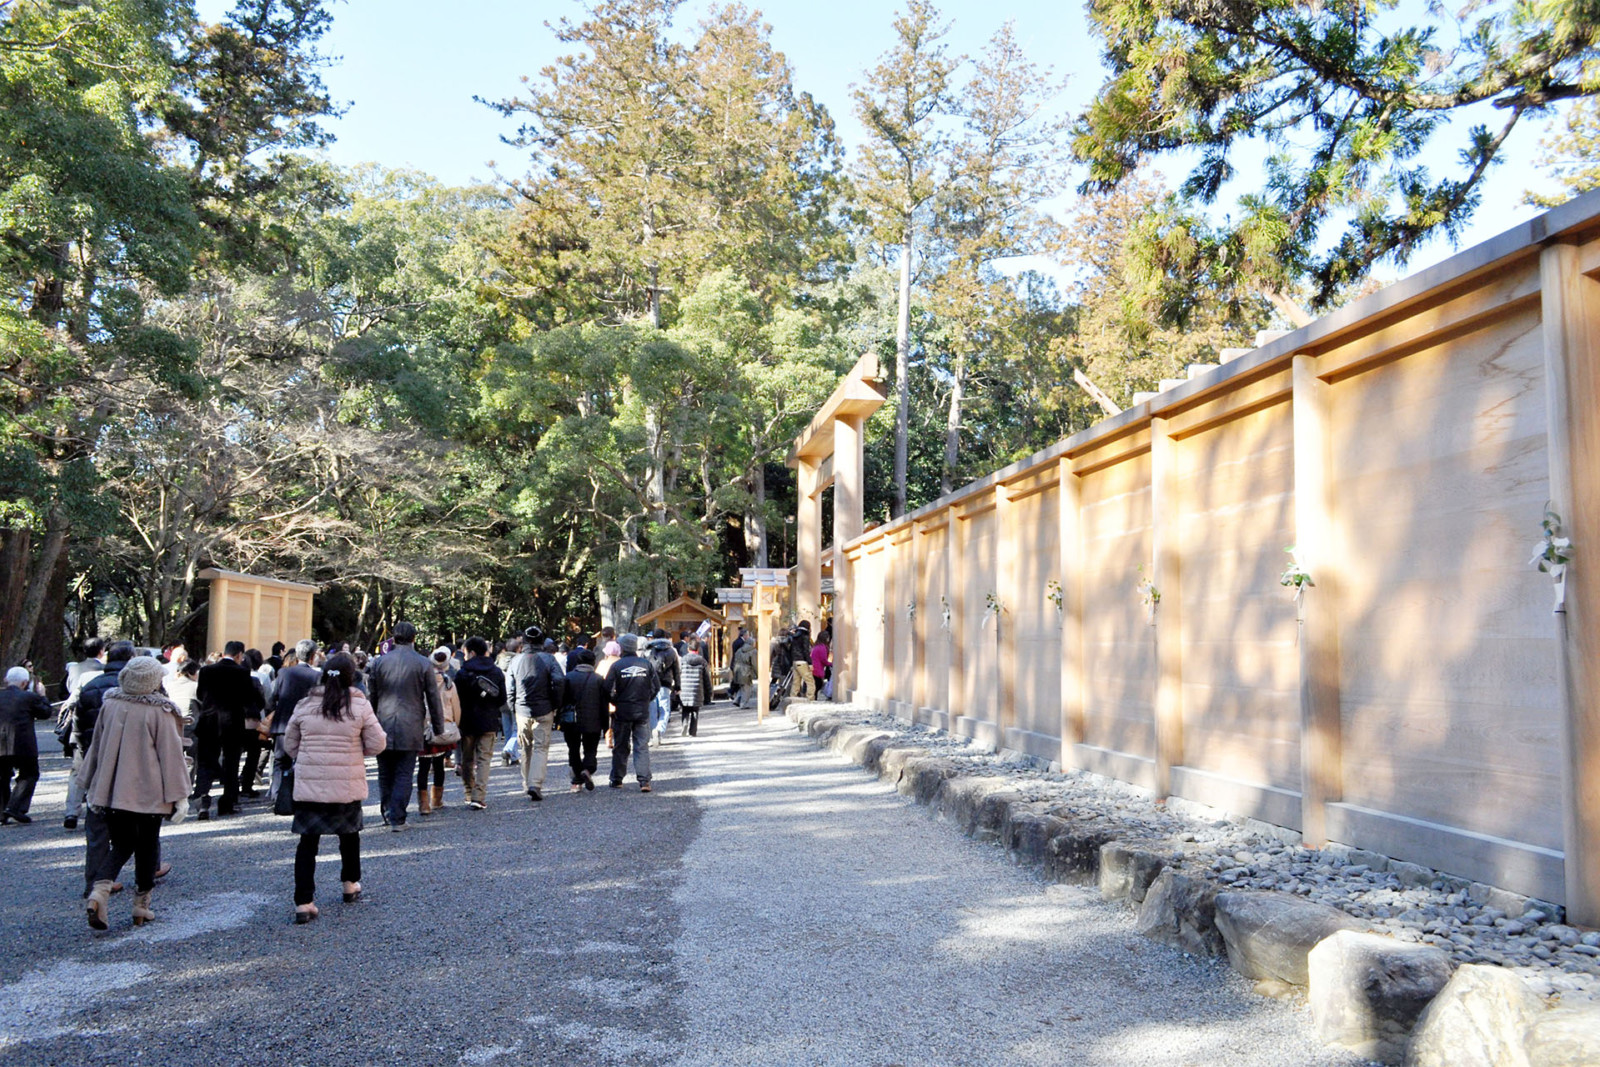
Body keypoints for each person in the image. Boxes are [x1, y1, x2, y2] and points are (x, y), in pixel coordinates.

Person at [77, 656, 190, 930]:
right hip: (151, 793)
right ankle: (141, 906)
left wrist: (89, 781)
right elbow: (171, 756)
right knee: (148, 845)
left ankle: (99, 891)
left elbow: (97, 746)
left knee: (122, 844)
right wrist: (181, 796)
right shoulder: (160, 711)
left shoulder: (111, 704)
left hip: (114, 790)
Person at [283, 652, 386, 924]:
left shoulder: (305, 705)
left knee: (308, 842)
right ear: (351, 677)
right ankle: (350, 884)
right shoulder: (359, 706)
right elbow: (378, 744)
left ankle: (304, 902)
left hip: (310, 785)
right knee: (349, 835)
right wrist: (354, 750)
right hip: (345, 783)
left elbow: (289, 745)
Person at [366, 622, 444, 830]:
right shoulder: (423, 663)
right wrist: (438, 727)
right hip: (411, 724)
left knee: (385, 772)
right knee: (403, 772)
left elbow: (372, 696)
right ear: (413, 638)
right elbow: (433, 698)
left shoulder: (378, 663)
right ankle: (397, 817)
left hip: (382, 722)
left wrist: (369, 723)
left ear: (393, 638)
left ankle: (387, 812)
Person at [192, 641, 264, 819]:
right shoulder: (242, 672)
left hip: (209, 720)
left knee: (206, 761)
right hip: (232, 722)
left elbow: (200, 694)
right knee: (231, 761)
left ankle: (202, 798)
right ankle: (228, 802)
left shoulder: (207, 670)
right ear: (240, 655)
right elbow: (248, 698)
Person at [506, 626, 564, 803]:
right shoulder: (549, 659)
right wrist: (556, 704)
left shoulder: (515, 661)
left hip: (522, 709)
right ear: (542, 642)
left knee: (526, 747)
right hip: (544, 708)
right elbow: (559, 680)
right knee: (540, 747)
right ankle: (535, 783)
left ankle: (526, 782)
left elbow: (509, 687)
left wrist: (513, 706)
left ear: (523, 642)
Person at [454, 637, 505, 810]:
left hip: (467, 721)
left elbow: (457, 699)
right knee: (484, 759)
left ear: (472, 652)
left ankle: (469, 792)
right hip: (489, 721)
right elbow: (502, 698)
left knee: (467, 759)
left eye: (466, 652)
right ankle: (479, 795)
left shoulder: (462, 673)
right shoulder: (496, 671)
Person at [604, 634, 658, 792]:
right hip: (642, 711)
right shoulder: (646, 664)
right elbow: (656, 687)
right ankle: (644, 781)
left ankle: (617, 779)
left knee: (621, 746)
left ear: (622, 647)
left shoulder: (617, 666)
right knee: (641, 746)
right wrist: (646, 700)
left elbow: (607, 688)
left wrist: (615, 701)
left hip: (623, 711)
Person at [267, 640, 320, 802]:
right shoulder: (317, 675)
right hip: (307, 724)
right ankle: (300, 797)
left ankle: (277, 796)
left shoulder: (283, 673)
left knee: (279, 761)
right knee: (304, 762)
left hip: (283, 723)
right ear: (312, 657)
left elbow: (273, 697)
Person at [0, 666, 49, 823]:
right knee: (29, 774)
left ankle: (2, 811)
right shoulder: (29, 697)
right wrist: (42, 696)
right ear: (24, 683)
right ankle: (15, 807)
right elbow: (45, 713)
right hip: (23, 744)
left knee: (2, 776)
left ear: (6, 680)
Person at [417, 647, 460, 816]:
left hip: (424, 728)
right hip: (443, 727)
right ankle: (437, 800)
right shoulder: (449, 683)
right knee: (439, 765)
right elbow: (456, 707)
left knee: (423, 767)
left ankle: (423, 804)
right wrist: (455, 723)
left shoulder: (420, 681)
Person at [559, 647, 606, 792]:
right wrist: (606, 724)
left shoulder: (568, 678)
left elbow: (561, 700)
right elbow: (604, 704)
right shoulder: (598, 679)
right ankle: (588, 770)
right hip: (594, 720)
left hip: (571, 720)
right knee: (591, 748)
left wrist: (558, 720)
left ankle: (577, 779)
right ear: (593, 662)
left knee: (573, 749)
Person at [644, 629, 680, 743]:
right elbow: (676, 670)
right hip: (665, 683)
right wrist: (678, 686)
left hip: (650, 683)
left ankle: (653, 731)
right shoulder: (671, 651)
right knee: (665, 708)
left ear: (653, 637)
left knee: (652, 708)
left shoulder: (647, 651)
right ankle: (660, 730)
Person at [677, 639, 711, 737]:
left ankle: (684, 724)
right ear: (698, 649)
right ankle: (693, 731)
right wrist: (709, 691)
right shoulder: (702, 661)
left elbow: (678, 674)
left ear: (688, 649)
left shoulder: (683, 660)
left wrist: (677, 687)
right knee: (695, 711)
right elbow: (706, 678)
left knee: (685, 709)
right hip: (697, 689)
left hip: (685, 688)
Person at [730, 635, 756, 709]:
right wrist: (757, 673)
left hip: (738, 670)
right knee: (747, 687)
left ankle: (737, 699)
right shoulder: (753, 651)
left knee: (742, 687)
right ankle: (743, 704)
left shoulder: (739, 650)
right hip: (746, 671)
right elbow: (754, 664)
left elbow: (735, 660)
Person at [811, 630, 831, 700]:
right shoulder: (822, 647)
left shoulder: (817, 646)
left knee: (816, 685)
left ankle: (814, 698)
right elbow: (823, 660)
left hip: (815, 668)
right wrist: (831, 664)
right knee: (818, 685)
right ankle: (813, 698)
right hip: (817, 669)